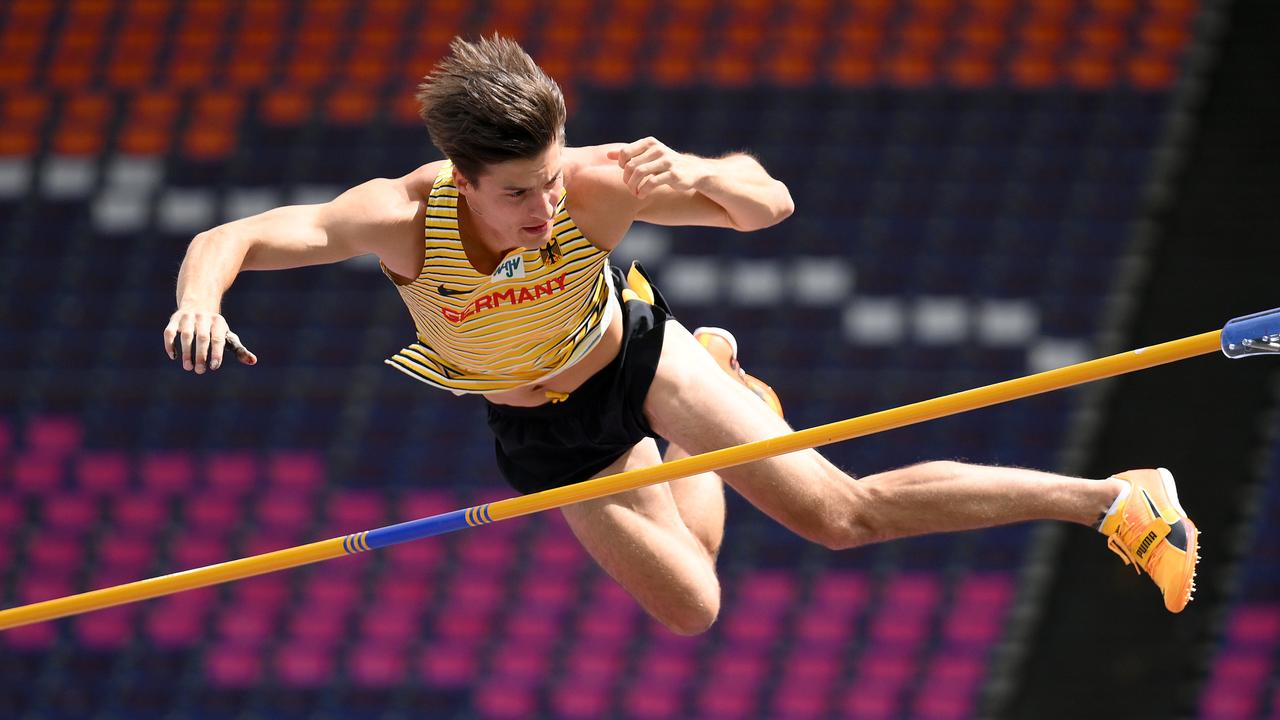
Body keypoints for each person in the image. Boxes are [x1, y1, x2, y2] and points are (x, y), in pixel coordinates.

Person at [163, 36, 1198, 633]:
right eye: (518, 195)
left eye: (553, 178)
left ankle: (1113, 499)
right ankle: (724, 369)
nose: (544, 209)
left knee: (839, 518)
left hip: (634, 363)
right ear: (460, 180)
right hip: (540, 436)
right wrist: (201, 301)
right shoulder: (397, 215)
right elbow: (235, 234)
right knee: (692, 604)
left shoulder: (599, 183)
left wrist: (699, 179)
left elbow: (770, 205)